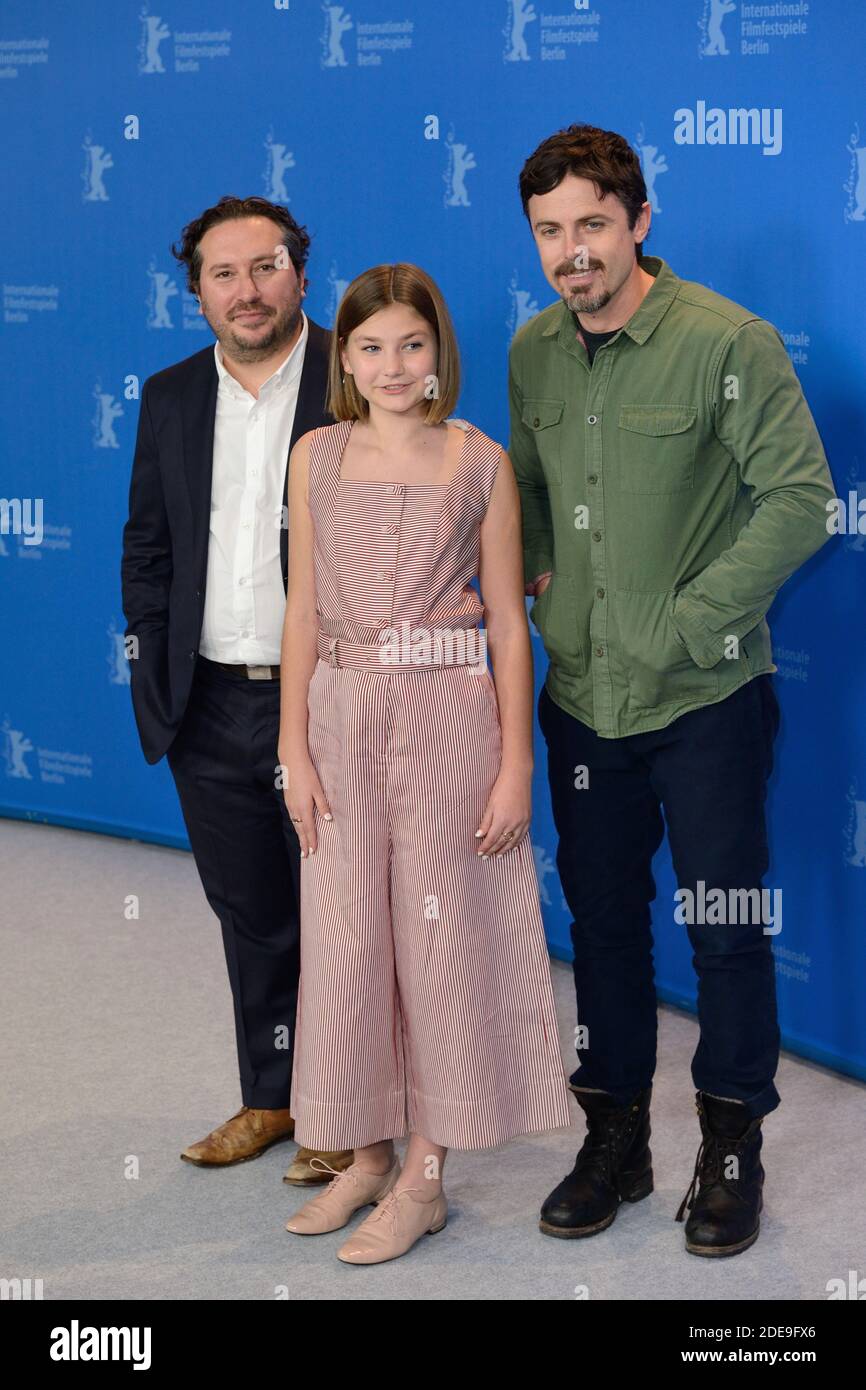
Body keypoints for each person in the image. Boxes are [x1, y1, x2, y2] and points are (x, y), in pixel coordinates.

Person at [509, 124, 836, 1256]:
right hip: (580, 699)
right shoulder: (533, 352)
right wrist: (544, 583)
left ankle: (730, 1148)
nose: (571, 252)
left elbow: (798, 499)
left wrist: (693, 621)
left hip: (703, 700)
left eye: (590, 225)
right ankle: (616, 1140)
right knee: (600, 926)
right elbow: (530, 489)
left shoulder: (724, 341)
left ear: (638, 221)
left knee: (723, 926)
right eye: (549, 231)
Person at [279, 262, 572, 1265]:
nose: (392, 365)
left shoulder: (477, 461)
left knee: (440, 949)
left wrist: (512, 768)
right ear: (343, 357)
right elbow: (301, 611)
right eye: (370, 347)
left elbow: (505, 620)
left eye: (411, 344)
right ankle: (364, 1149)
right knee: (349, 939)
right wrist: (292, 751)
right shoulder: (315, 456)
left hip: (449, 716)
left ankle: (425, 1176)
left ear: (437, 351)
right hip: (339, 720)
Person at [121, 195, 351, 1184]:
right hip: (209, 702)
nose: (246, 290)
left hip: (334, 700)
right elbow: (148, 547)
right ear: (195, 292)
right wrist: (158, 677)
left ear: (301, 273)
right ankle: (273, 1096)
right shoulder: (170, 395)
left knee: (343, 914)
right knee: (253, 912)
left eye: (265, 267)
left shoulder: (359, 373)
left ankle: (348, 1113)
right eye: (224, 274)